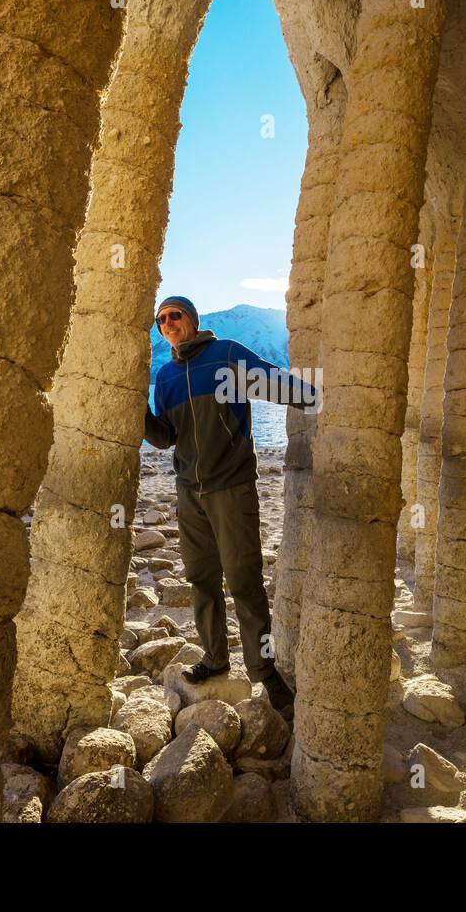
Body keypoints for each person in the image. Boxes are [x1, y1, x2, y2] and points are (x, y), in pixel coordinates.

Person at [143, 295, 318, 718]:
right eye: (161, 319)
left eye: (175, 315)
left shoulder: (225, 356)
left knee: (244, 580)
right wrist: (136, 407)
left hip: (231, 487)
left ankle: (264, 671)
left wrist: (313, 395)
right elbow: (166, 437)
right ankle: (215, 658)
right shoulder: (165, 376)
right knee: (201, 579)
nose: (168, 323)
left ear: (192, 319)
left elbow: (275, 383)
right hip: (189, 492)